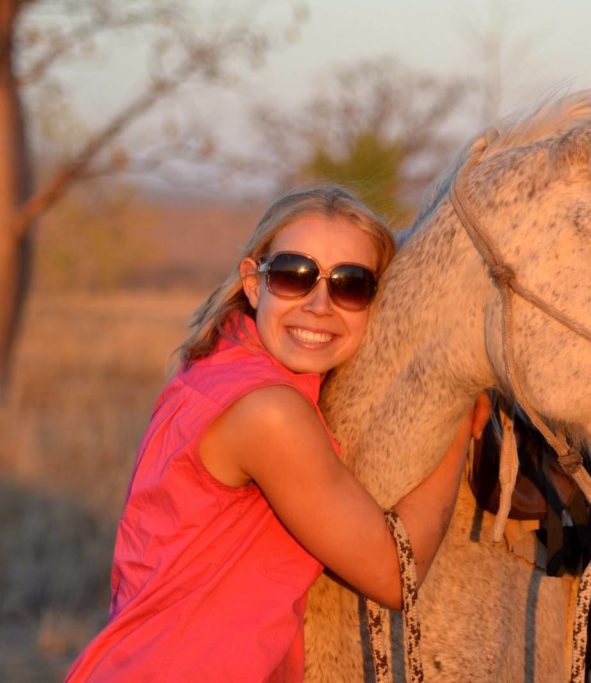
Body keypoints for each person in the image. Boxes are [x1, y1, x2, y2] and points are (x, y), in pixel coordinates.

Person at [66, 186, 490, 681]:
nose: (319, 304)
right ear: (253, 283)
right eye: (294, 275)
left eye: (351, 285)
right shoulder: (271, 413)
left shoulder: (215, 369)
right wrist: (454, 412)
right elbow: (396, 576)